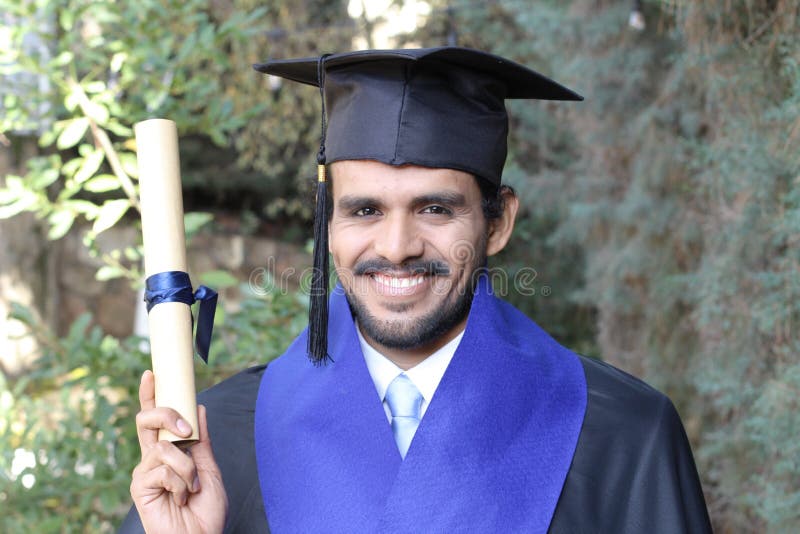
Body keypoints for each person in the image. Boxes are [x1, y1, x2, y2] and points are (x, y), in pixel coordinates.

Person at [120, 47, 712, 533]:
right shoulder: (217, 441)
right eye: (364, 210)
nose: (397, 245)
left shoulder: (623, 439)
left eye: (435, 208)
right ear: (329, 226)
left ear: (498, 223)